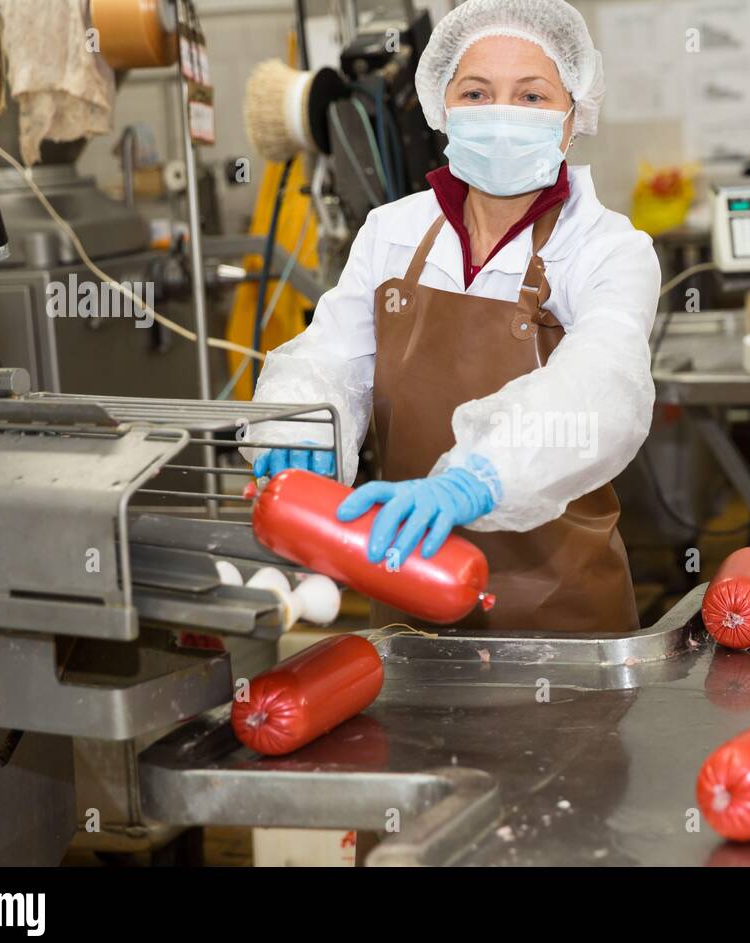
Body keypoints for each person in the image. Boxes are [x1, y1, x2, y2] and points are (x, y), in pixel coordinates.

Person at [246, 0, 659, 633]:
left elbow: (604, 387)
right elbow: (332, 360)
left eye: (531, 96)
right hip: (404, 580)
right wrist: (300, 431)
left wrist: (477, 479)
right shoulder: (392, 233)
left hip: (563, 613)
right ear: (441, 108)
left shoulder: (607, 247)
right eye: (476, 92)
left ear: (573, 117)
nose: (501, 115)